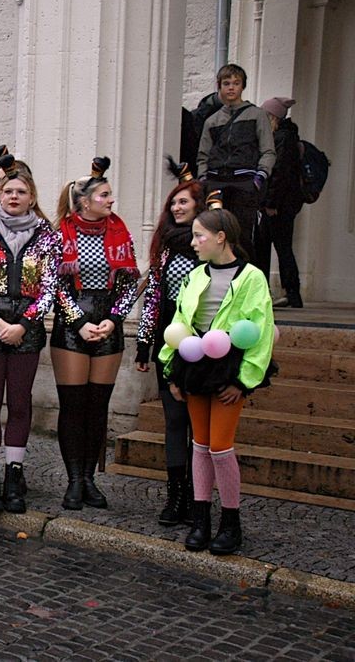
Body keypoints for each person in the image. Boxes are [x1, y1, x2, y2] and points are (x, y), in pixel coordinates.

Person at [160, 197, 275, 555]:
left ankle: (231, 522)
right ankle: (201, 519)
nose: (193, 243)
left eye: (199, 236)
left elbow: (262, 329)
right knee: (200, 445)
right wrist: (171, 370)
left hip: (229, 369)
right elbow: (180, 323)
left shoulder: (252, 277)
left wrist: (243, 381)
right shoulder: (195, 276)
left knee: (221, 448)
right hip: (195, 366)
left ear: (221, 237)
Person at [0, 156, 60, 513]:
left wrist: (24, 323)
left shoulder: (47, 236)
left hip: (27, 328)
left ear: (32, 197)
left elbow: (50, 287)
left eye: (21, 191)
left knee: (19, 402)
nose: (14, 196)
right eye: (8, 191)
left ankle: (14, 473)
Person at [51, 157, 141, 510]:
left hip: (108, 323)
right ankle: (73, 479)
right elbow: (54, 284)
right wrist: (78, 322)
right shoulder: (60, 234)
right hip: (73, 324)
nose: (110, 200)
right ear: (85, 201)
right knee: (73, 406)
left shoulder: (121, 232)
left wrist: (114, 319)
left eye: (110, 195)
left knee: (97, 407)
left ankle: (89, 478)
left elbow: (130, 284)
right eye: (104, 195)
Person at [135, 160, 204, 526]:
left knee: (201, 422)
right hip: (169, 342)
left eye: (184, 203)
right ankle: (175, 495)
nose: (177, 208)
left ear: (199, 207)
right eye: (173, 203)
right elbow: (155, 298)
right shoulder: (164, 250)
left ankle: (200, 497)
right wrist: (144, 344)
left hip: (206, 342)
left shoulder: (207, 249)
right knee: (174, 420)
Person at [196, 64, 276, 260]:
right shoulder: (212, 121)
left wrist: (260, 177)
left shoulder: (257, 115)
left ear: (242, 86)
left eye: (236, 83)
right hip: (216, 182)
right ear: (219, 87)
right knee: (214, 233)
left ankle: (243, 280)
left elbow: (268, 150)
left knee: (241, 236)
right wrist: (204, 179)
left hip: (244, 183)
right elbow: (203, 155)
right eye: (226, 83)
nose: (231, 87)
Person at [255, 96, 305, 308]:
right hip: (281, 204)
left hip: (277, 205)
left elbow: (279, 174)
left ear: (273, 117)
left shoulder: (283, 138)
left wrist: (271, 203)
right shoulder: (286, 136)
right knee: (270, 246)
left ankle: (289, 293)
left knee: (274, 246)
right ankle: (283, 292)